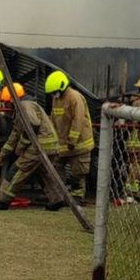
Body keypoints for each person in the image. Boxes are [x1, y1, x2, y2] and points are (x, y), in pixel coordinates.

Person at [0, 83, 63, 211]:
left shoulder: (24, 106)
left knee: (16, 171)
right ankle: (56, 199)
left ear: (12, 100)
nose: (4, 106)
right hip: (49, 146)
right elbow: (14, 136)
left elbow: (33, 124)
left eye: (5, 102)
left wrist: (21, 146)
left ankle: (2, 201)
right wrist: (1, 155)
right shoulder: (24, 107)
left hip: (38, 147)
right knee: (44, 173)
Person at [44, 70, 95, 200]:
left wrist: (72, 140)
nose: (53, 95)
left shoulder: (74, 97)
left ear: (62, 86)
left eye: (54, 92)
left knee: (78, 173)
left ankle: (77, 197)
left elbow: (78, 120)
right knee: (56, 168)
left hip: (79, 143)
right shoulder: (56, 99)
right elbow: (54, 118)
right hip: (62, 143)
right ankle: (60, 196)